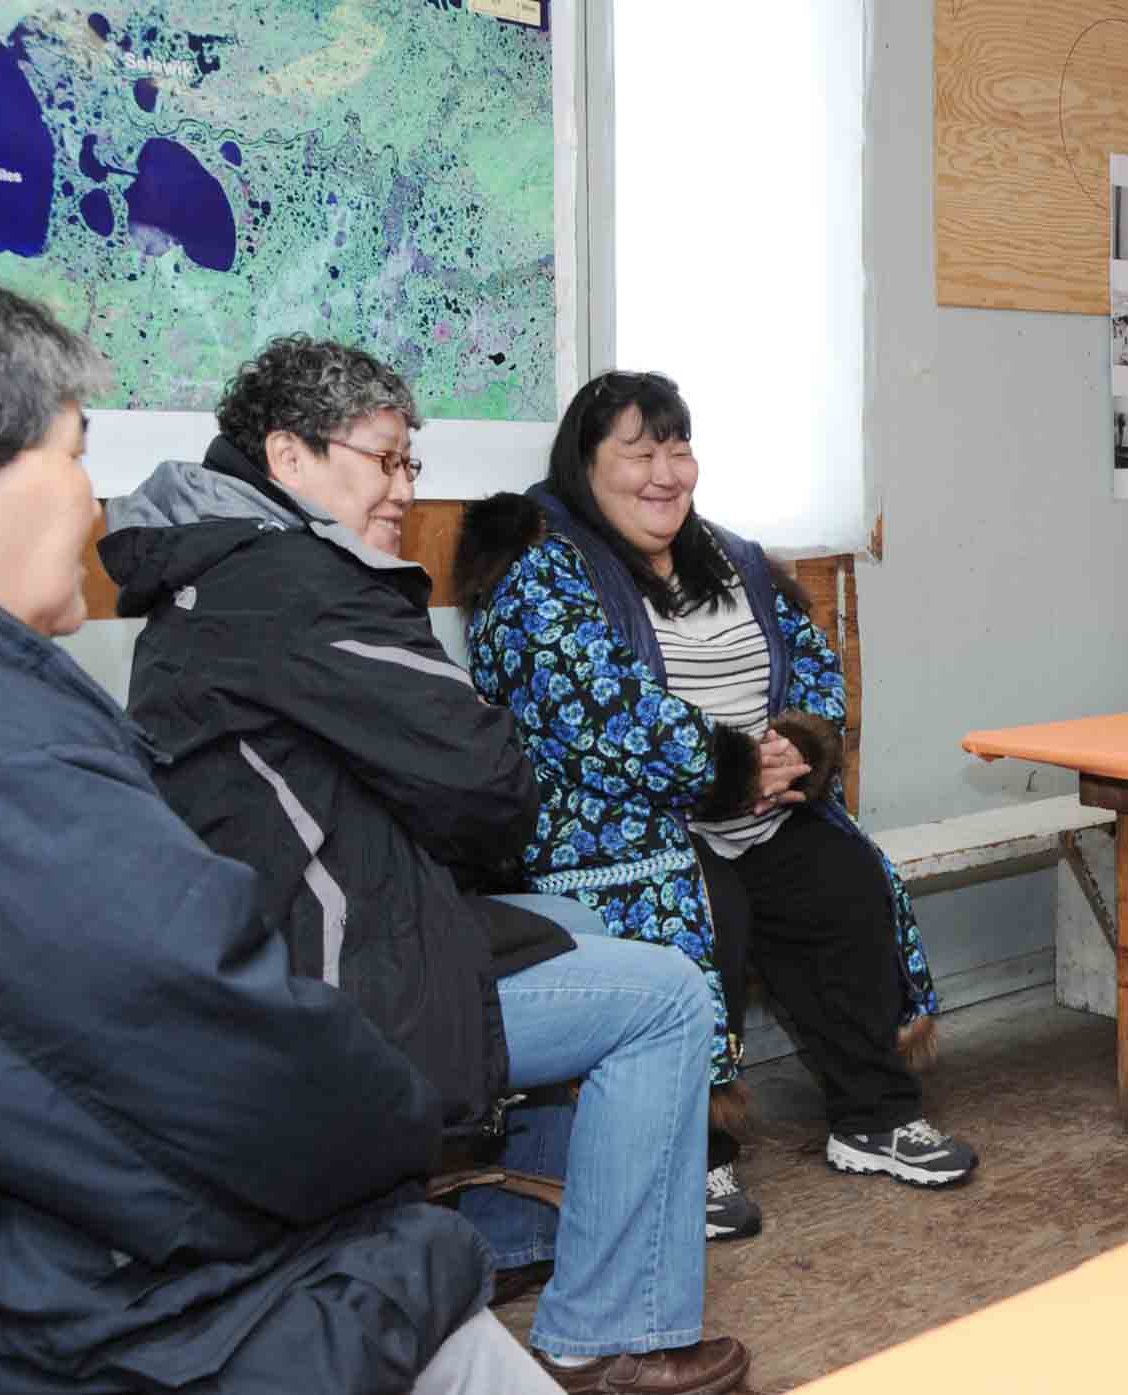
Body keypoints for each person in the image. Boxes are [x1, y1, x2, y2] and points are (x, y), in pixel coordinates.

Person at [0, 267, 562, 1393]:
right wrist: (405, 1145)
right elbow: (229, 1060)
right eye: (73, 455)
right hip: (53, 1316)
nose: (96, 503)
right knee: (443, 1305)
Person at [98, 338, 748, 1393]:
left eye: (411, 463)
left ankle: (512, 1232)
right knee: (666, 994)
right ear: (291, 457)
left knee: (578, 927)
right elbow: (487, 771)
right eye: (387, 461)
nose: (408, 488)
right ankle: (614, 1336)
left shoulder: (217, 567)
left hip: (289, 927)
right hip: (331, 974)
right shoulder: (293, 586)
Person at [454, 370, 979, 1243]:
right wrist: (735, 768)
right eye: (638, 451)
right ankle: (685, 1154)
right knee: (706, 903)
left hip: (753, 808)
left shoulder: (729, 555)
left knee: (844, 879)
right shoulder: (539, 569)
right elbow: (596, 711)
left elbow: (811, 661)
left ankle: (874, 1116)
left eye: (678, 447)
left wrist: (796, 749)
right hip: (613, 826)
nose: (665, 472)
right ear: (586, 464)